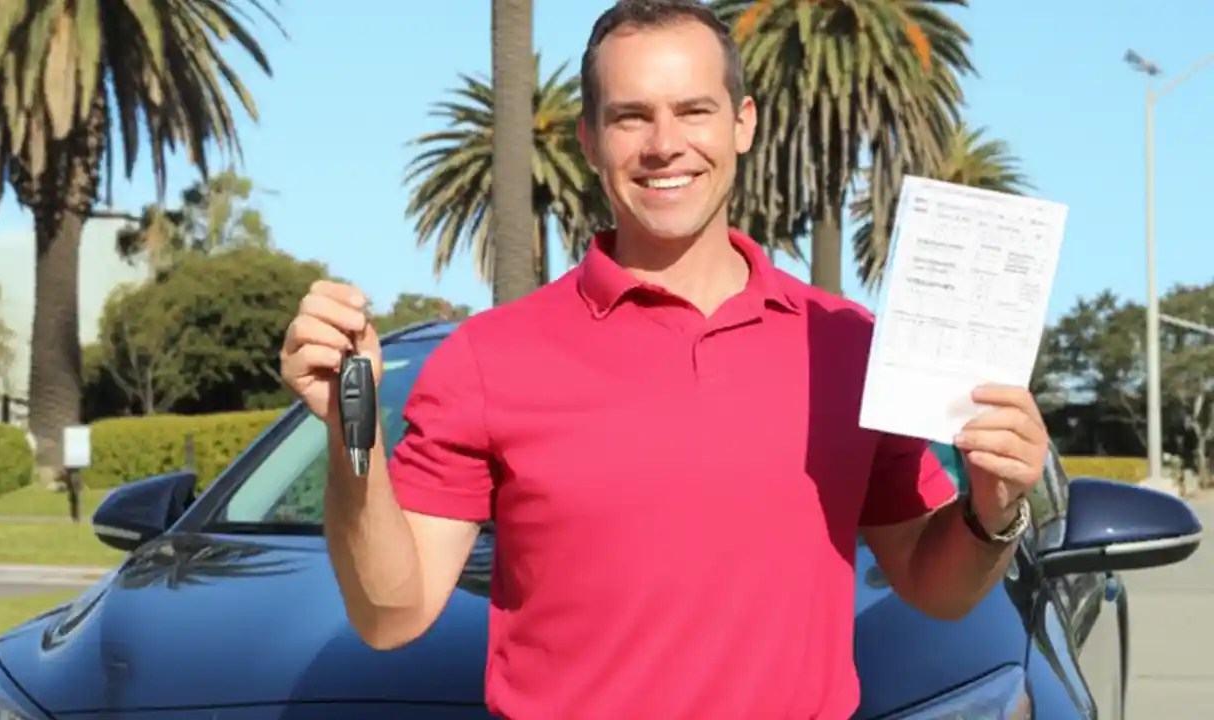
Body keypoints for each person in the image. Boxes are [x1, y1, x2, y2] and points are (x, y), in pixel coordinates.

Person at [278, 1, 1050, 717]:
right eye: (630, 117)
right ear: (589, 140)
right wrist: (353, 434)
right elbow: (390, 614)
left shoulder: (849, 343)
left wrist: (994, 507)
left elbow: (930, 580)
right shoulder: (487, 358)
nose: (663, 144)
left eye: (693, 111)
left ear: (743, 123)